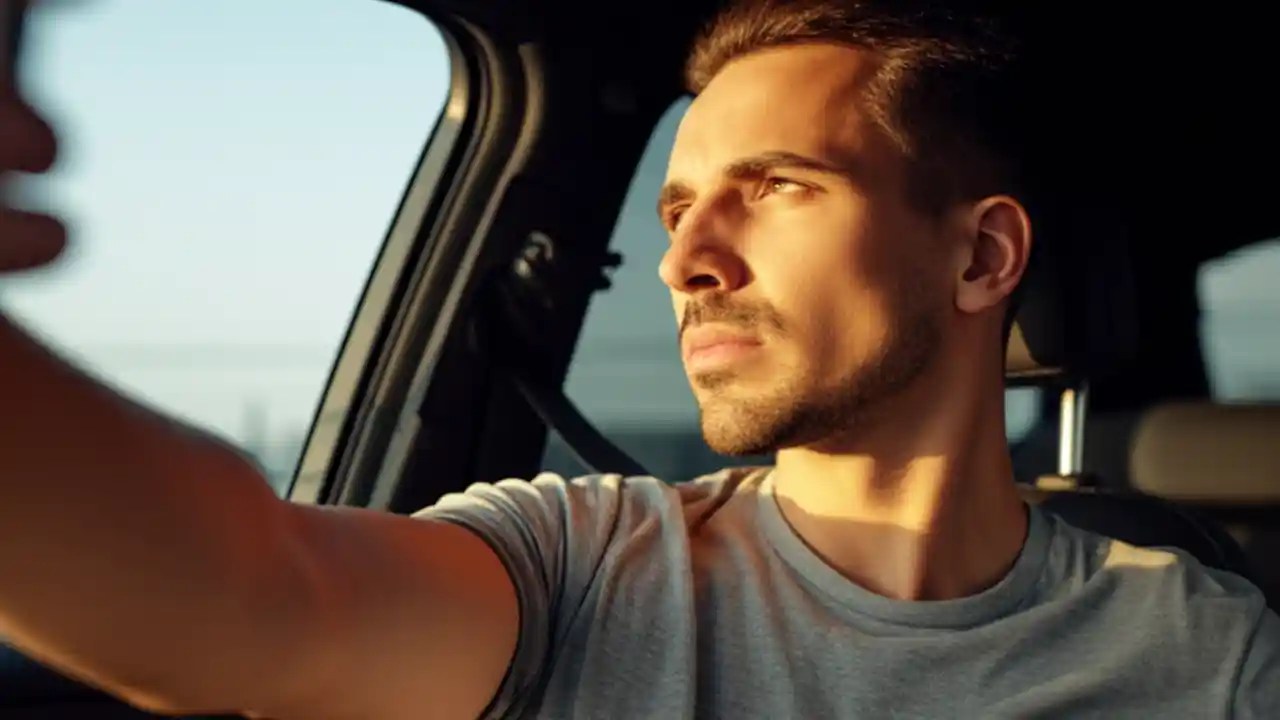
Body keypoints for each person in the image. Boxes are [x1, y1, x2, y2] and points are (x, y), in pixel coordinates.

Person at [2, 0, 1277, 718]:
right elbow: (249, 600)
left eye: (772, 187)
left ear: (979, 259)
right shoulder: (582, 566)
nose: (683, 264)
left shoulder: (1197, 651)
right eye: (674, 212)